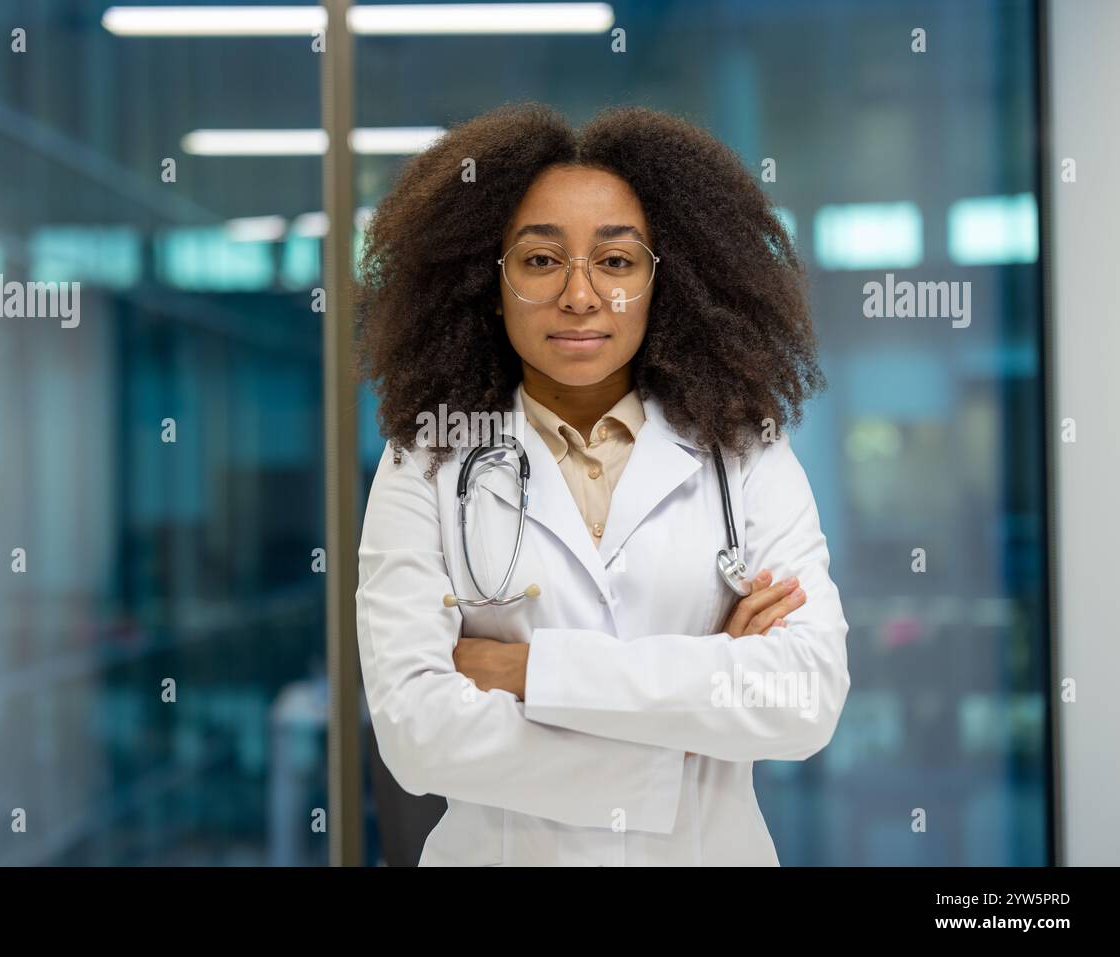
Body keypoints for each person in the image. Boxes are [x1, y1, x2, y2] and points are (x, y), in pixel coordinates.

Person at [353, 101, 850, 866]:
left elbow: (804, 697)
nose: (580, 295)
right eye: (541, 260)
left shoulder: (744, 451)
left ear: (662, 283)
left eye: (616, 262)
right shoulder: (426, 458)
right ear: (490, 282)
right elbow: (418, 735)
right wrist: (688, 726)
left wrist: (529, 670)